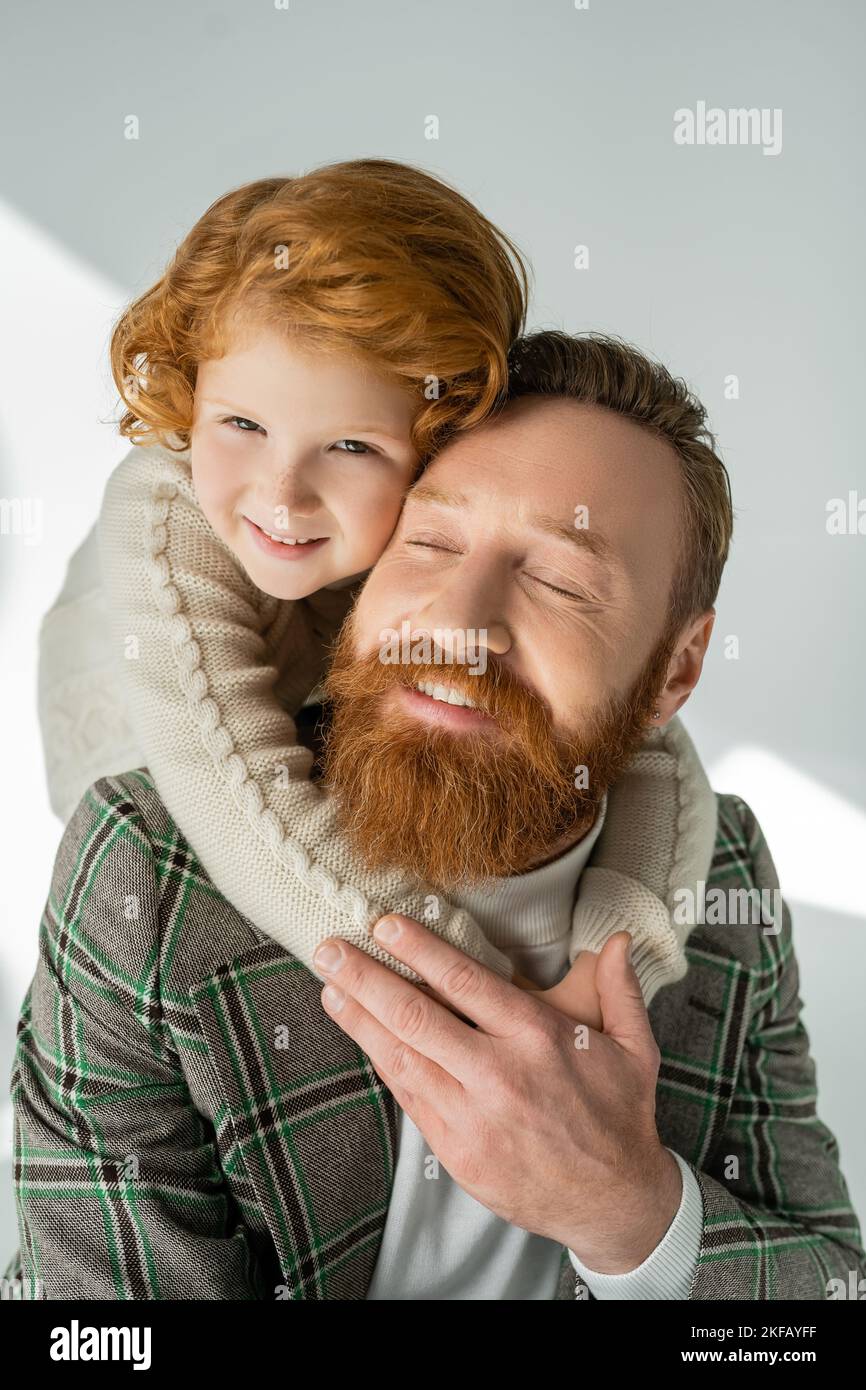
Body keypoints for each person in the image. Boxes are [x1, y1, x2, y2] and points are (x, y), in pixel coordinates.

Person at [8, 332, 863, 1299]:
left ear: (676, 670)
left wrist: (630, 1214)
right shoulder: (148, 873)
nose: (459, 620)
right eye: (430, 541)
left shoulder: (727, 870)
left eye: (560, 582)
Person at [35, 159, 715, 1031]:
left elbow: (653, 747)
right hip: (147, 744)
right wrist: (483, 999)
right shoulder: (167, 522)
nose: (282, 495)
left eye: (351, 446)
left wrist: (624, 960)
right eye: (240, 425)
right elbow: (238, 799)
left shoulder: (446, 517)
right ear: (188, 397)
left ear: (441, 435)